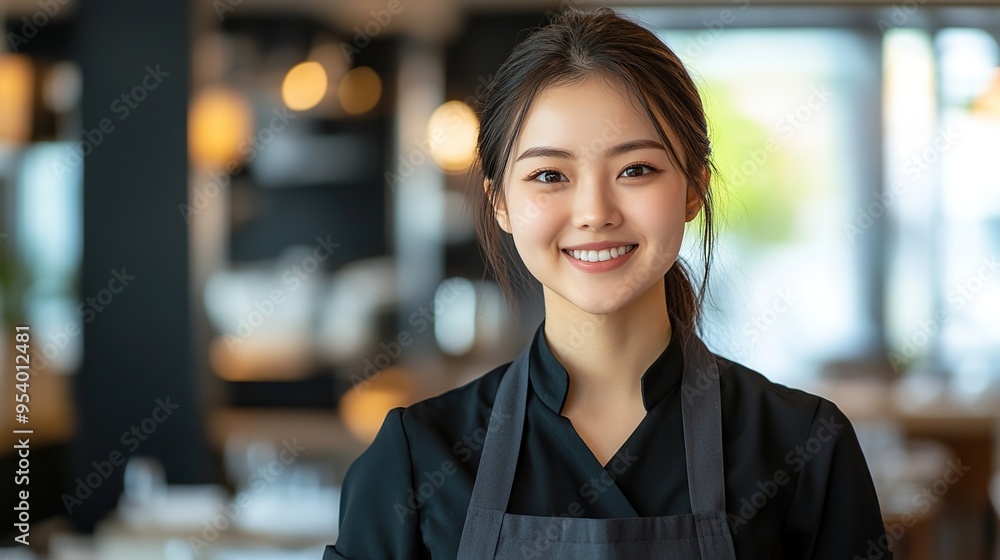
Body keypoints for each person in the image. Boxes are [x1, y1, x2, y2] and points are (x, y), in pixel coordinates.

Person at [323, 7, 891, 559]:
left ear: (693, 188)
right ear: (500, 203)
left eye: (636, 169)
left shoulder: (804, 446)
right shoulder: (416, 460)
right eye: (549, 175)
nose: (594, 211)